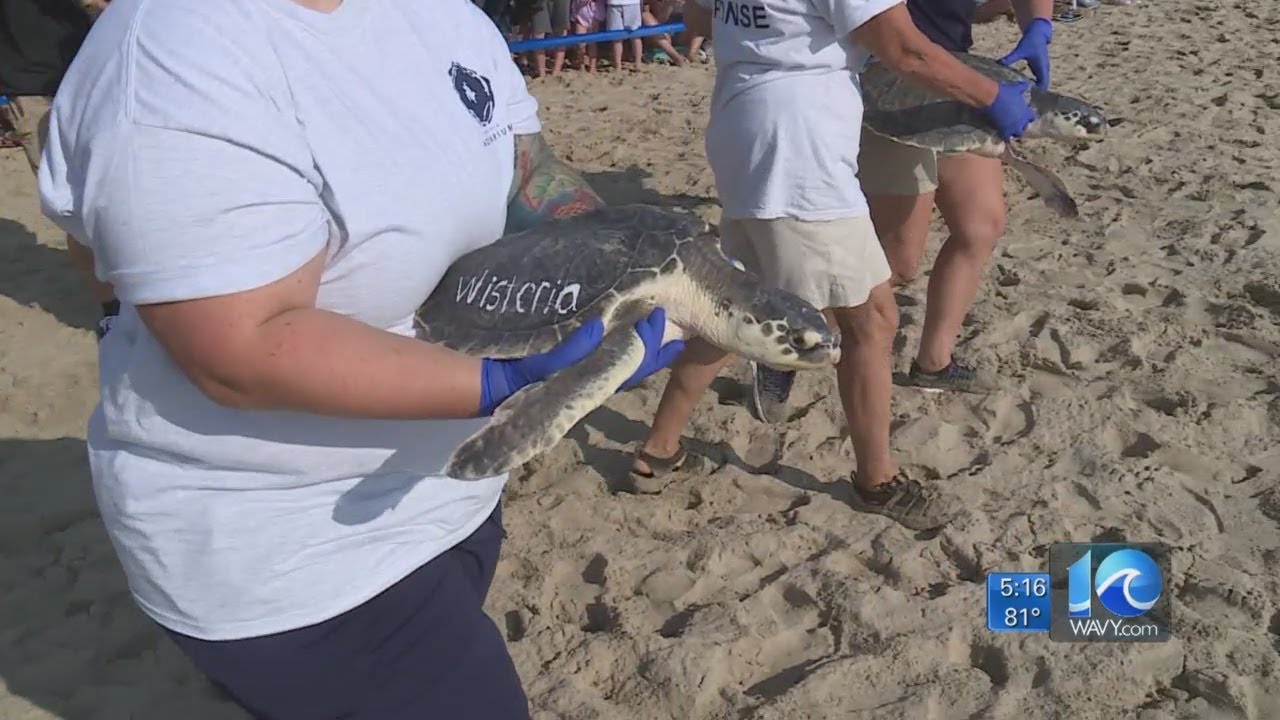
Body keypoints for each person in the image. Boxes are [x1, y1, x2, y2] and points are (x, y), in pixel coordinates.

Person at [37, 0, 683, 717]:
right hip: (290, 543)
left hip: (445, 489)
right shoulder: (179, 51)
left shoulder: (446, 15)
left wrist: (631, 259)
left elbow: (523, 174)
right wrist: (501, 381)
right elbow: (242, 348)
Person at [629, 0, 1037, 530]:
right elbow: (906, 50)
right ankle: (877, 480)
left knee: (735, 307)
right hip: (801, 151)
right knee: (871, 320)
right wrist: (995, 97)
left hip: (744, 125)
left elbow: (696, 20)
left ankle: (659, 448)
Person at [857, 0, 1054, 394]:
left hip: (957, 78)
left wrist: (1039, 26)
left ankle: (934, 363)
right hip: (889, 81)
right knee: (897, 261)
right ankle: (794, 338)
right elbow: (900, 45)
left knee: (980, 226)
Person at [1, 0, 117, 338]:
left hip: (88, 69)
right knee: (74, 207)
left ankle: (127, 296)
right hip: (35, 85)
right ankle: (112, 309)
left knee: (101, 196)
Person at [606, 0, 644, 71]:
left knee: (635, 34)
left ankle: (638, 63)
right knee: (617, 36)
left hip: (631, 3)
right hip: (615, 4)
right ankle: (618, 64)